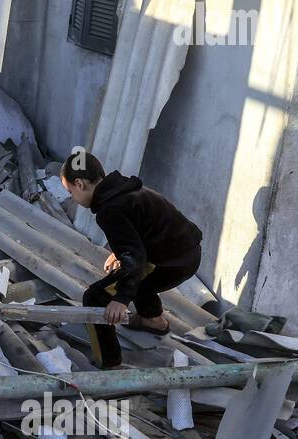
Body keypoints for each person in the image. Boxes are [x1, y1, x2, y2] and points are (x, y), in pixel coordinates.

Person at [60, 152, 203, 368]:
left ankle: (108, 362)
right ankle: (153, 320)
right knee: (130, 271)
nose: (72, 198)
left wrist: (121, 299)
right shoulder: (124, 189)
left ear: (79, 184)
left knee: (95, 297)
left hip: (171, 263)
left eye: (70, 192)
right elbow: (141, 228)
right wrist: (120, 252)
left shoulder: (110, 210)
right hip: (186, 253)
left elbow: (134, 260)